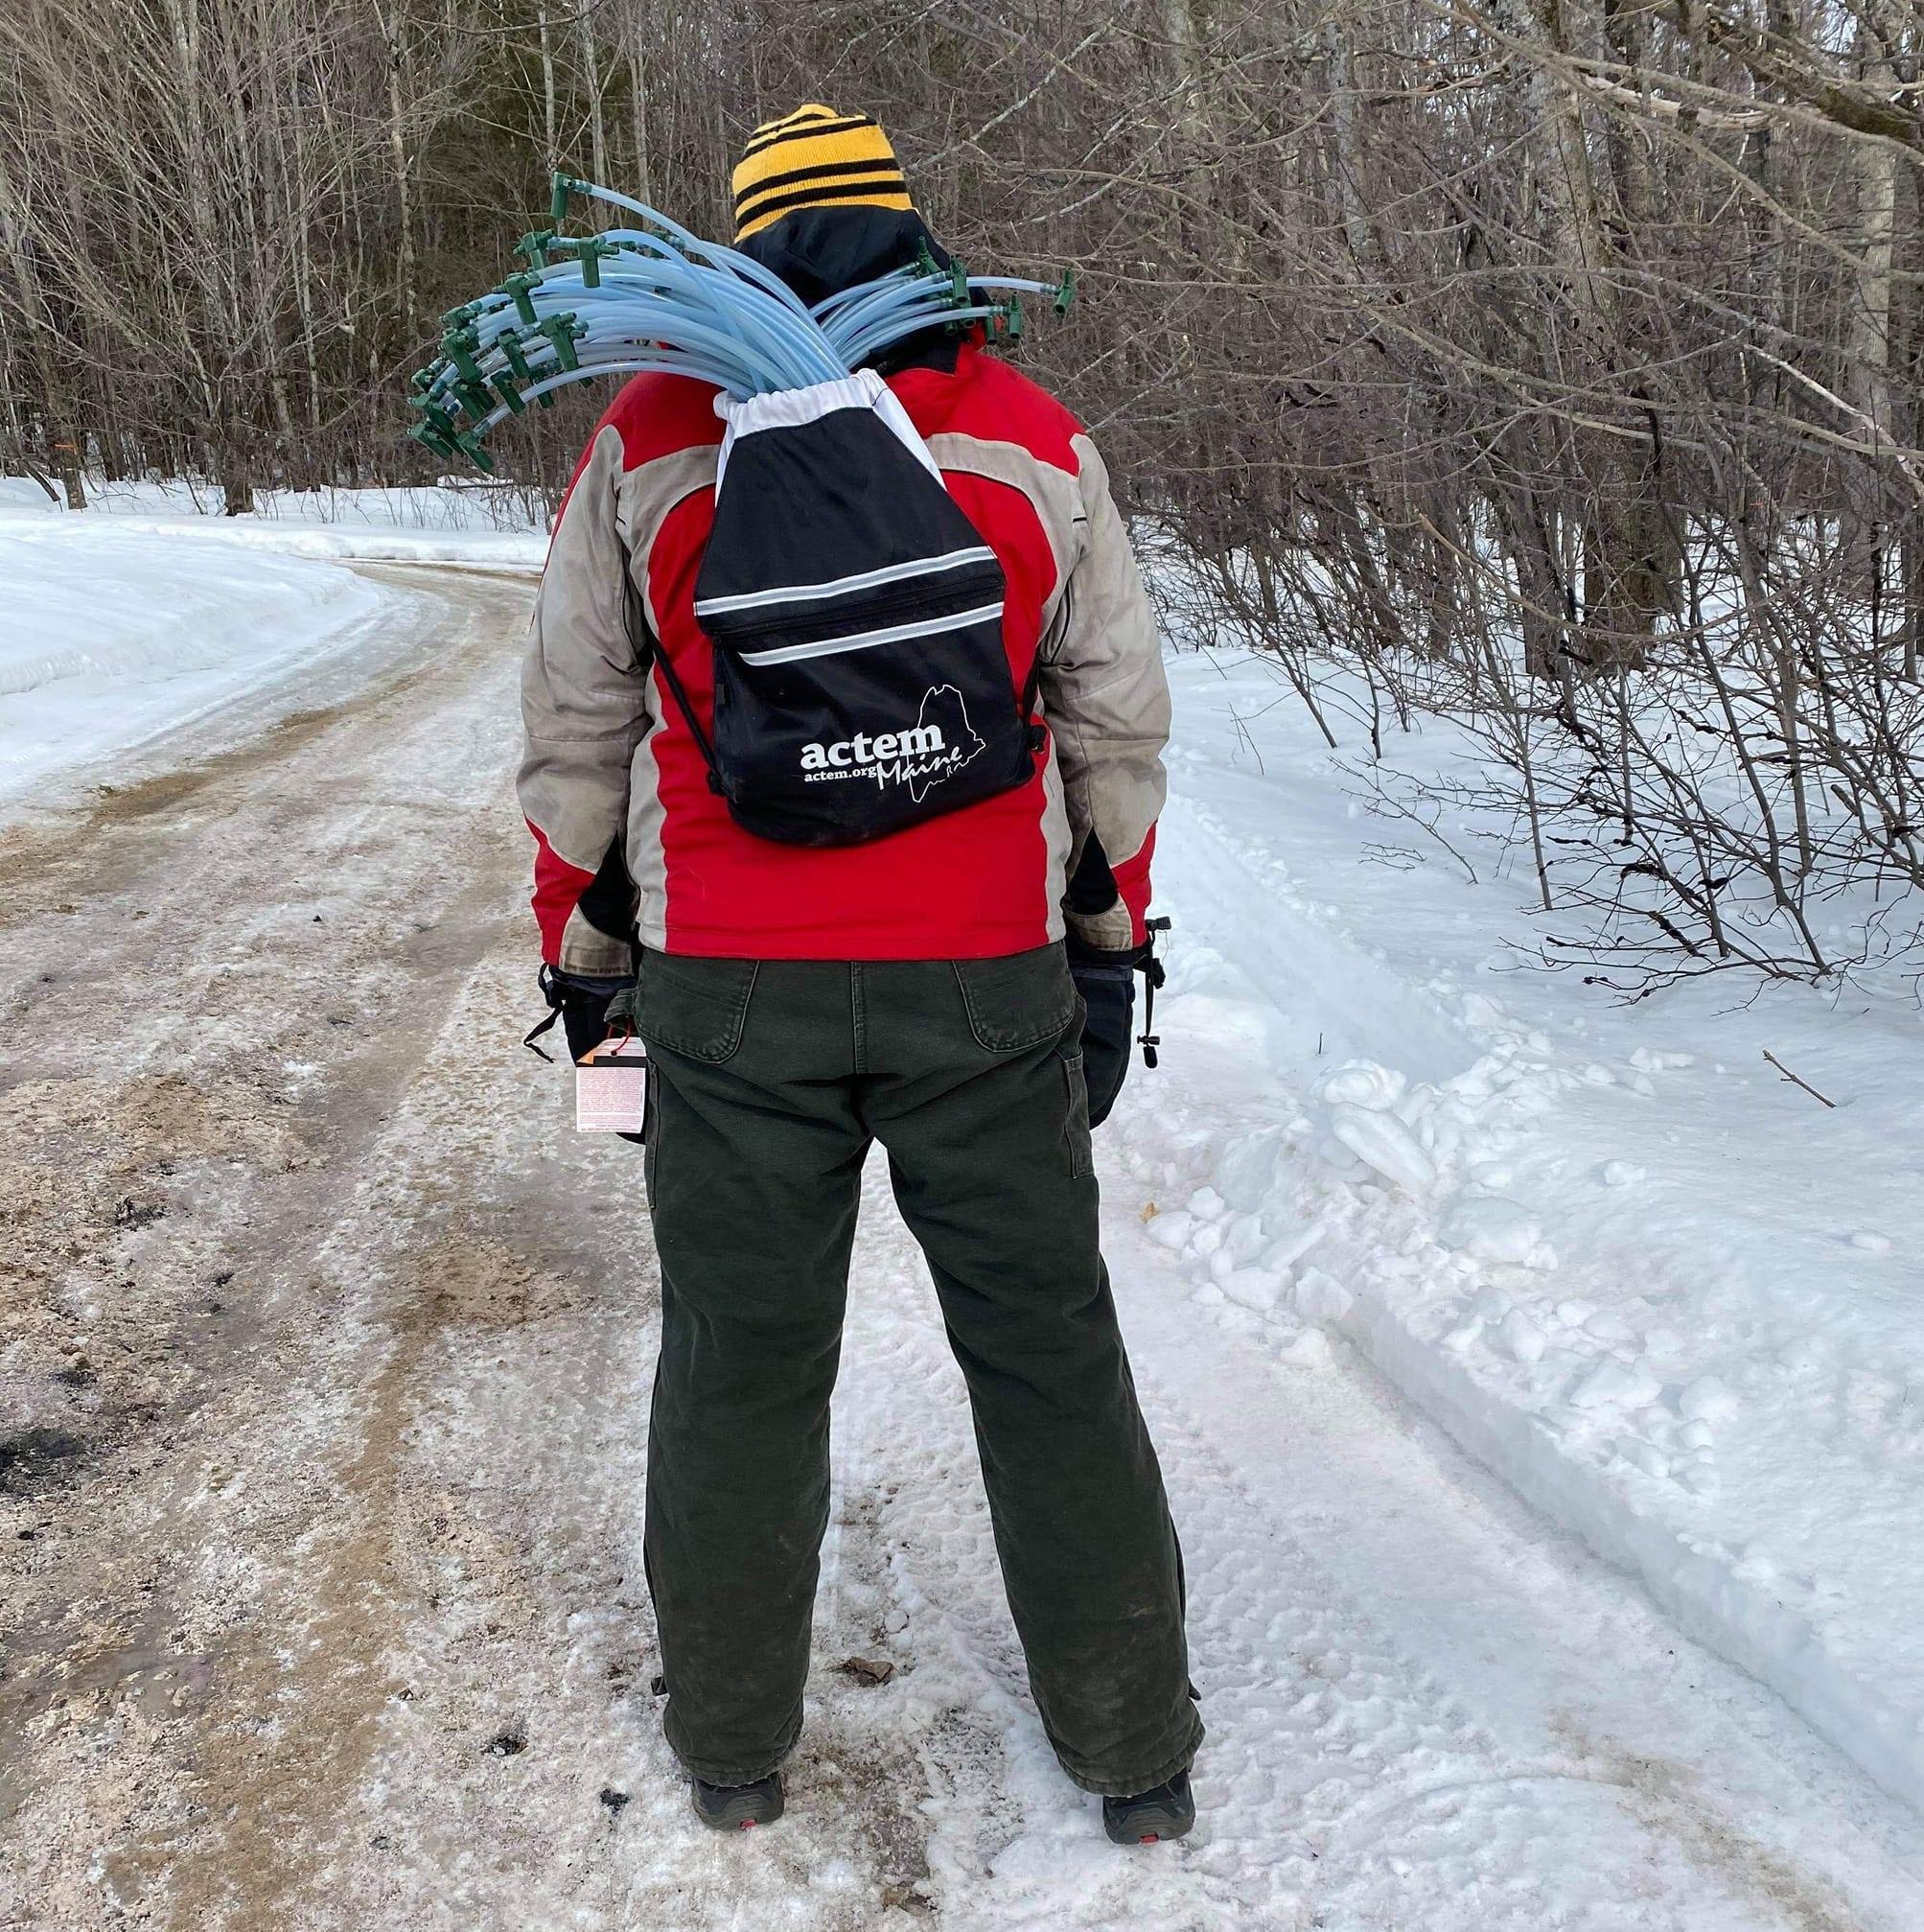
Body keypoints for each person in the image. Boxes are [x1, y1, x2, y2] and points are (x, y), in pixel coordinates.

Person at [519, 103, 1199, 1843]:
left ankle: (734, 1746)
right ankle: (1135, 1757)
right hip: (983, 974)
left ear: (737, 253)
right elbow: (1111, 715)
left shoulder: (654, 438)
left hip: (729, 981)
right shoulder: (1028, 434)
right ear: (913, 237)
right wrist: (1107, 937)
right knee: (1049, 1355)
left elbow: (581, 726)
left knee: (741, 1361)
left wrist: (587, 955)